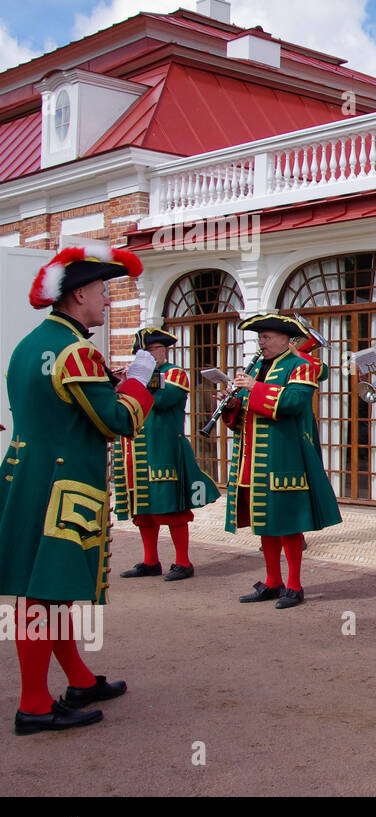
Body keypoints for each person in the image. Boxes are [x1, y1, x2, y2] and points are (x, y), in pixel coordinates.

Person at [1, 242, 157, 734]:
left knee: (52, 590)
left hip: (29, 478)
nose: (106, 301)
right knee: (42, 597)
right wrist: (137, 378)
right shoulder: (77, 350)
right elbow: (116, 422)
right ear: (79, 294)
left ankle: (79, 679)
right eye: (102, 291)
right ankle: (33, 705)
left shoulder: (32, 344)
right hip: (60, 487)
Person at [223, 313, 341, 609]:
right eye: (260, 338)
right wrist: (231, 402)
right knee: (264, 521)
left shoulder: (300, 366)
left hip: (284, 455)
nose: (261, 343)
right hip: (252, 457)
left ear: (284, 340)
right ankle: (272, 581)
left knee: (288, 523)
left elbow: (292, 403)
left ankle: (295, 585)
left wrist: (253, 388)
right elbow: (241, 418)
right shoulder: (257, 368)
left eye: (266, 337)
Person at [114, 328, 220, 581]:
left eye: (152, 350)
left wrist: (130, 383)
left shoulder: (174, 373)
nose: (149, 355)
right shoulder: (138, 378)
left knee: (171, 508)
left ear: (164, 350)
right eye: (143, 352)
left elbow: (160, 400)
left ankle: (183, 562)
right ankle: (150, 561)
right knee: (142, 511)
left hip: (164, 450)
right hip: (136, 451)